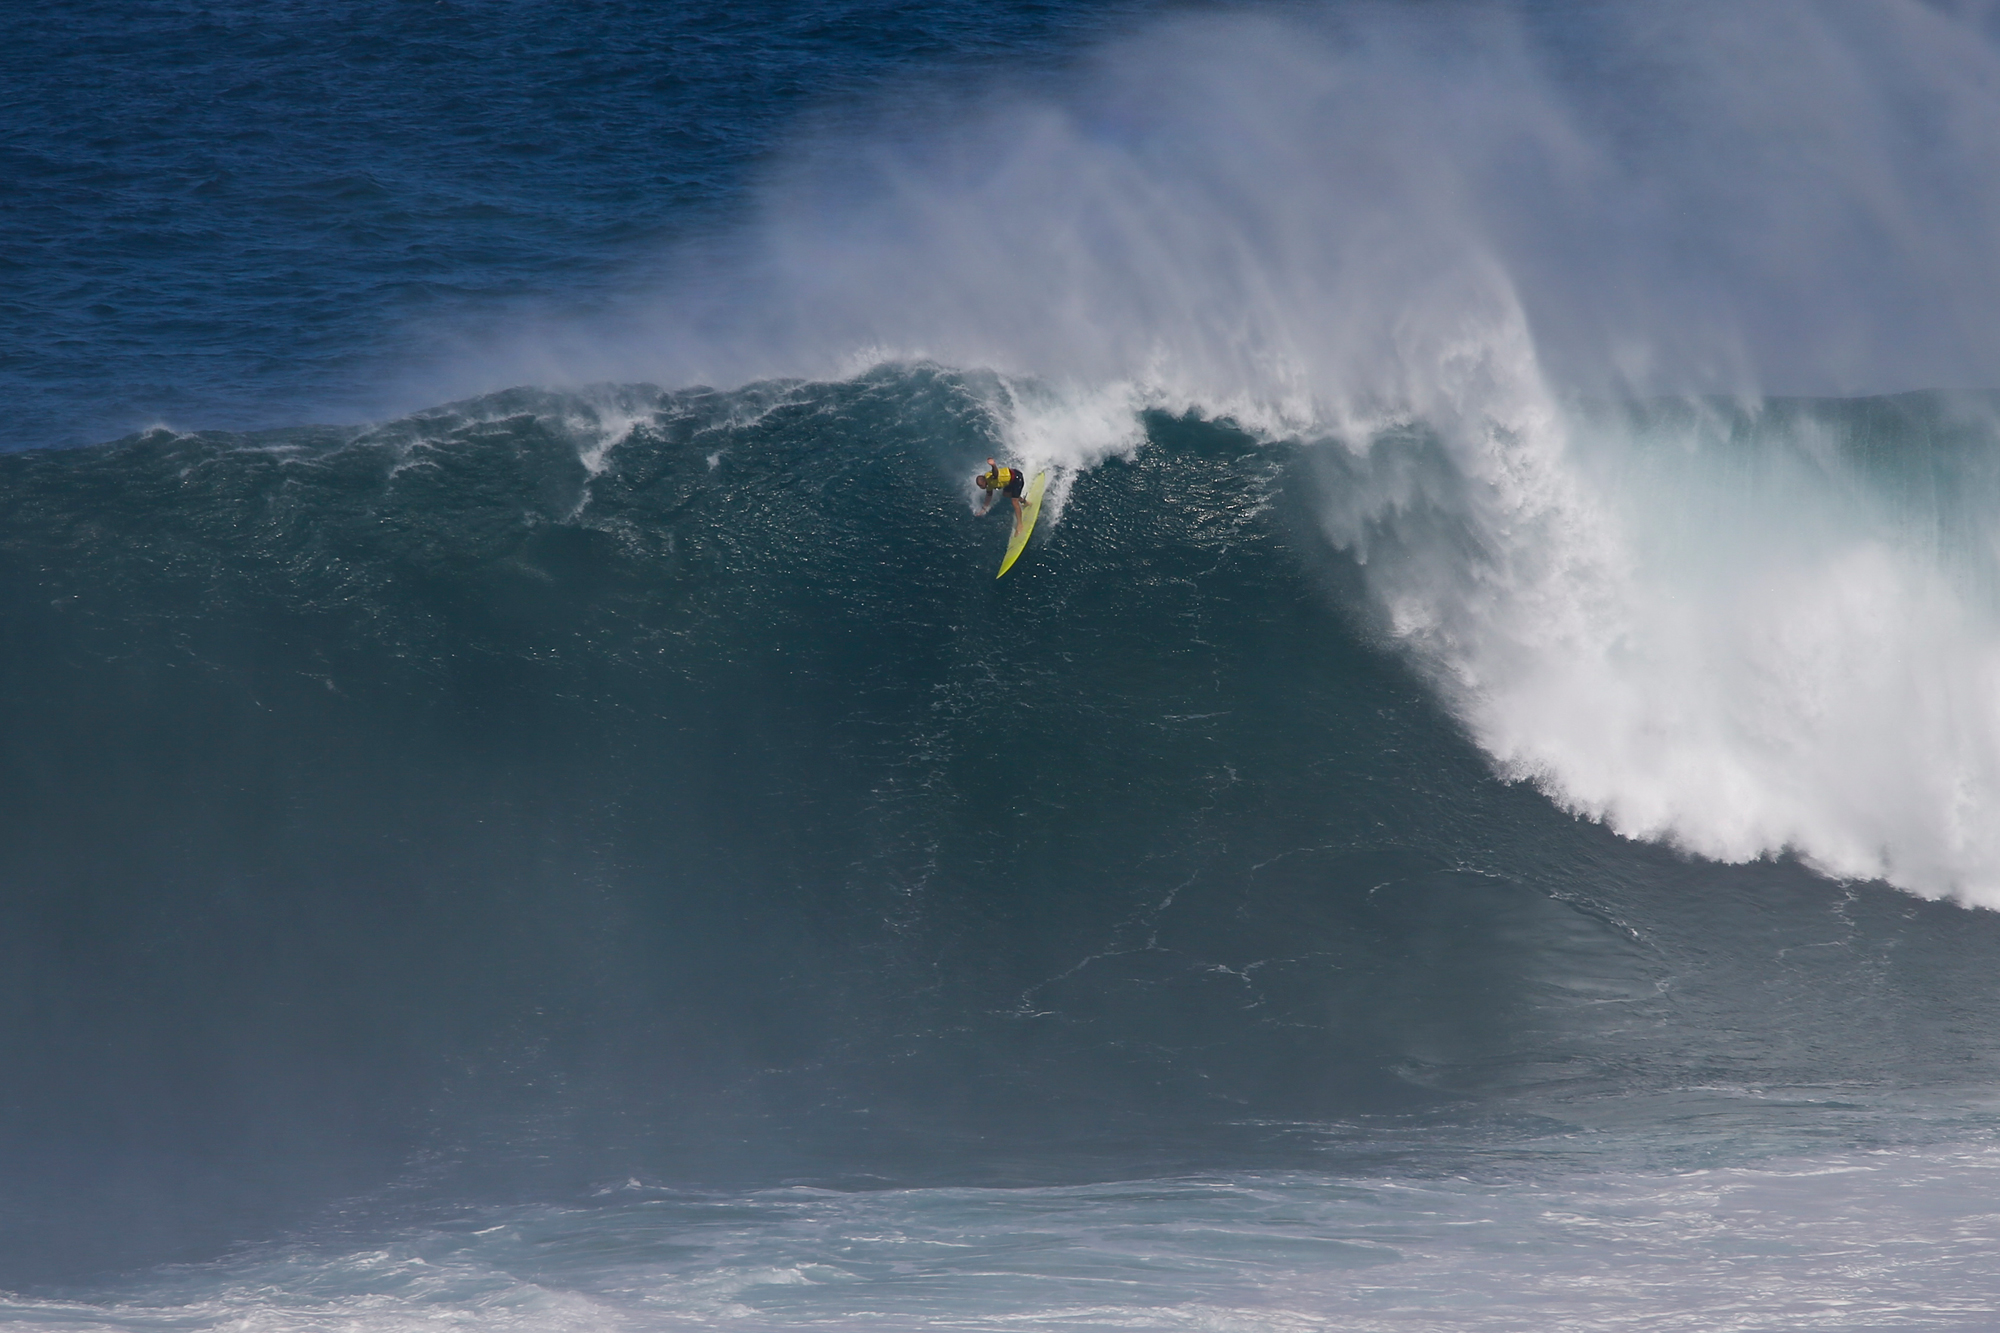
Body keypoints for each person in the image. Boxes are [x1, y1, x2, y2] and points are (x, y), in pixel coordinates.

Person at [974, 457, 1027, 533]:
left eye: (981, 486)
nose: (981, 487)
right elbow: (989, 496)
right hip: (1010, 481)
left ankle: (1020, 524)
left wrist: (993, 465)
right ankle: (1024, 501)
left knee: (1014, 502)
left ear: (984, 482)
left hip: (1016, 478)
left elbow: (995, 473)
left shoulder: (990, 478)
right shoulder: (988, 485)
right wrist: (984, 509)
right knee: (1005, 494)